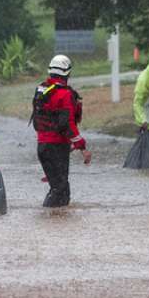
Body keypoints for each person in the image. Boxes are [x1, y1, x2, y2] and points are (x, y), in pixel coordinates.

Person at [31, 54, 92, 207]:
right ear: (68, 73)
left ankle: (55, 223)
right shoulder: (65, 95)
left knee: (59, 188)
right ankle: (51, 223)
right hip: (56, 148)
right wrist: (82, 147)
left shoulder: (42, 90)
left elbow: (44, 120)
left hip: (43, 147)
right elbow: (67, 124)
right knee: (60, 190)